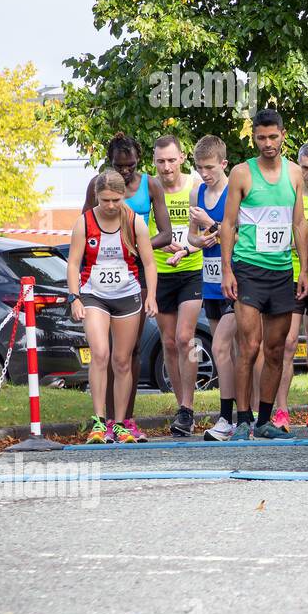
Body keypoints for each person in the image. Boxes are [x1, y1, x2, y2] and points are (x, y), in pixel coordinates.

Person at [221, 109, 308, 441]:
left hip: (281, 271)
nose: (268, 143)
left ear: (283, 135)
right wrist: (227, 269)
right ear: (254, 138)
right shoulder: (242, 173)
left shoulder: (296, 173)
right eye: (261, 137)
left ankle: (264, 419)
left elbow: (299, 223)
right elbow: (228, 224)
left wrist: (303, 268)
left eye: (273, 137)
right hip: (248, 269)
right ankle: (242, 420)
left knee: (276, 349)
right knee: (250, 346)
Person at [82, 134, 172, 436]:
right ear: (111, 163)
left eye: (131, 165)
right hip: (102, 276)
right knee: (102, 351)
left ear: (138, 160)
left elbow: (166, 233)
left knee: (130, 352)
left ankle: (125, 418)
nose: (125, 171)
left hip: (135, 274)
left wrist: (134, 243)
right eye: (120, 166)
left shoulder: (152, 185)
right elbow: (86, 226)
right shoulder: (98, 186)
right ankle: (104, 418)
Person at [68, 171, 159, 443]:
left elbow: (150, 262)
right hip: (94, 294)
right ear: (97, 196)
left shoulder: (134, 222)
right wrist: (74, 297)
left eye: (116, 200)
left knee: (122, 360)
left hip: (127, 295)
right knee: (99, 353)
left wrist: (151, 295)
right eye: (105, 200)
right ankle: (98, 421)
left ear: (124, 196)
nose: (110, 205)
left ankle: (120, 423)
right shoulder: (84, 223)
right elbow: (73, 264)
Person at [146, 136, 206, 437]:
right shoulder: (149, 189)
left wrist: (187, 249)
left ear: (182, 158)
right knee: (169, 342)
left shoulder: (195, 187)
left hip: (191, 271)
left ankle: (188, 405)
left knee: (185, 338)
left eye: (171, 160)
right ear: (154, 162)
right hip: (160, 273)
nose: (167, 167)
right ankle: (181, 407)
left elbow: (207, 231)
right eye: (160, 161)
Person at [275, 142, 308, 430]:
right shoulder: (288, 193)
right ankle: (281, 410)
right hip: (292, 275)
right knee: (286, 343)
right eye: (305, 168)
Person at [186, 135, 238, 440]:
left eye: (209, 168)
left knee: (224, 347)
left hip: (235, 278)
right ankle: (241, 417)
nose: (204, 173)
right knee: (226, 352)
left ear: (223, 163)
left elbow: (242, 233)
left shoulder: (235, 191)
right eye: (199, 168)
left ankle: (230, 417)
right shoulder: (197, 194)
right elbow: (192, 236)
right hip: (211, 280)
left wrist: (214, 226)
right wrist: (200, 240)